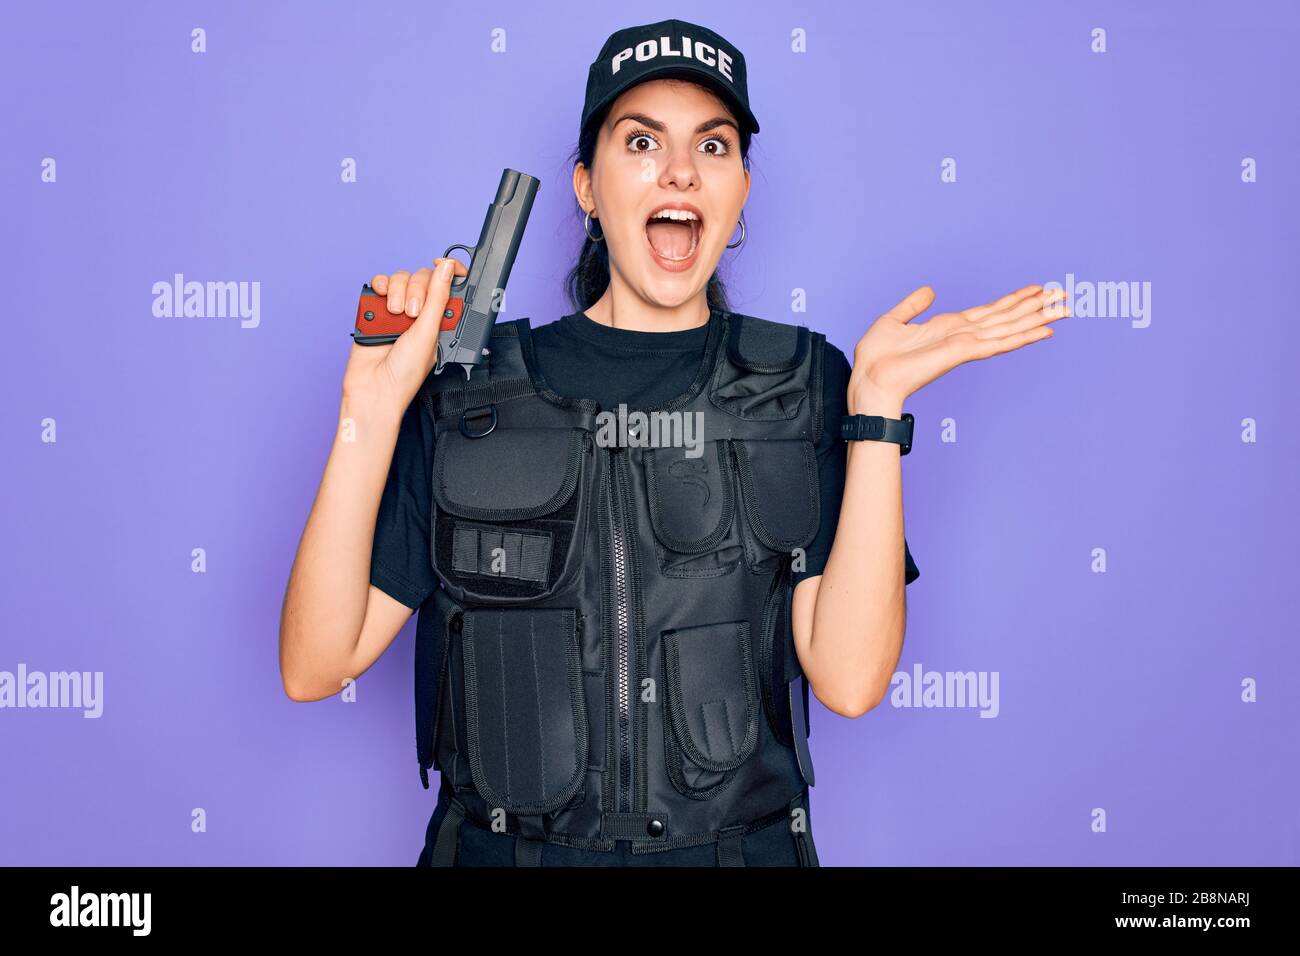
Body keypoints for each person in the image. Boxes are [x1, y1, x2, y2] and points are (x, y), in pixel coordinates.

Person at [278, 18, 1069, 867]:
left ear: (740, 193)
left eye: (714, 146)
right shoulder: (468, 396)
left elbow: (849, 680)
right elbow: (315, 665)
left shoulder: (800, 385)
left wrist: (874, 409)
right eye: (643, 141)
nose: (681, 170)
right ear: (586, 186)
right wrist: (370, 403)